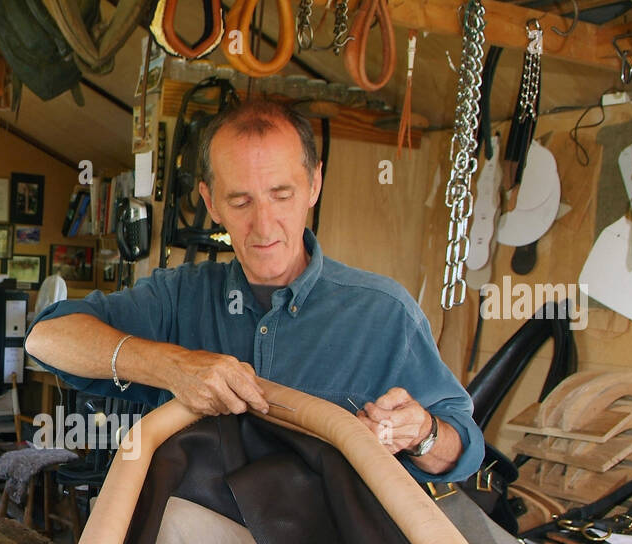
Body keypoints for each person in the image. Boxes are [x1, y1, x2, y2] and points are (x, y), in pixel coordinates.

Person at [25, 97, 484, 484]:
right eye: (240, 201)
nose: (263, 226)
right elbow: (45, 339)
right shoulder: (178, 297)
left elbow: (463, 451)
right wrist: (172, 365)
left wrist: (420, 434)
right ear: (210, 204)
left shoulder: (384, 314)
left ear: (314, 185)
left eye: (281, 195)